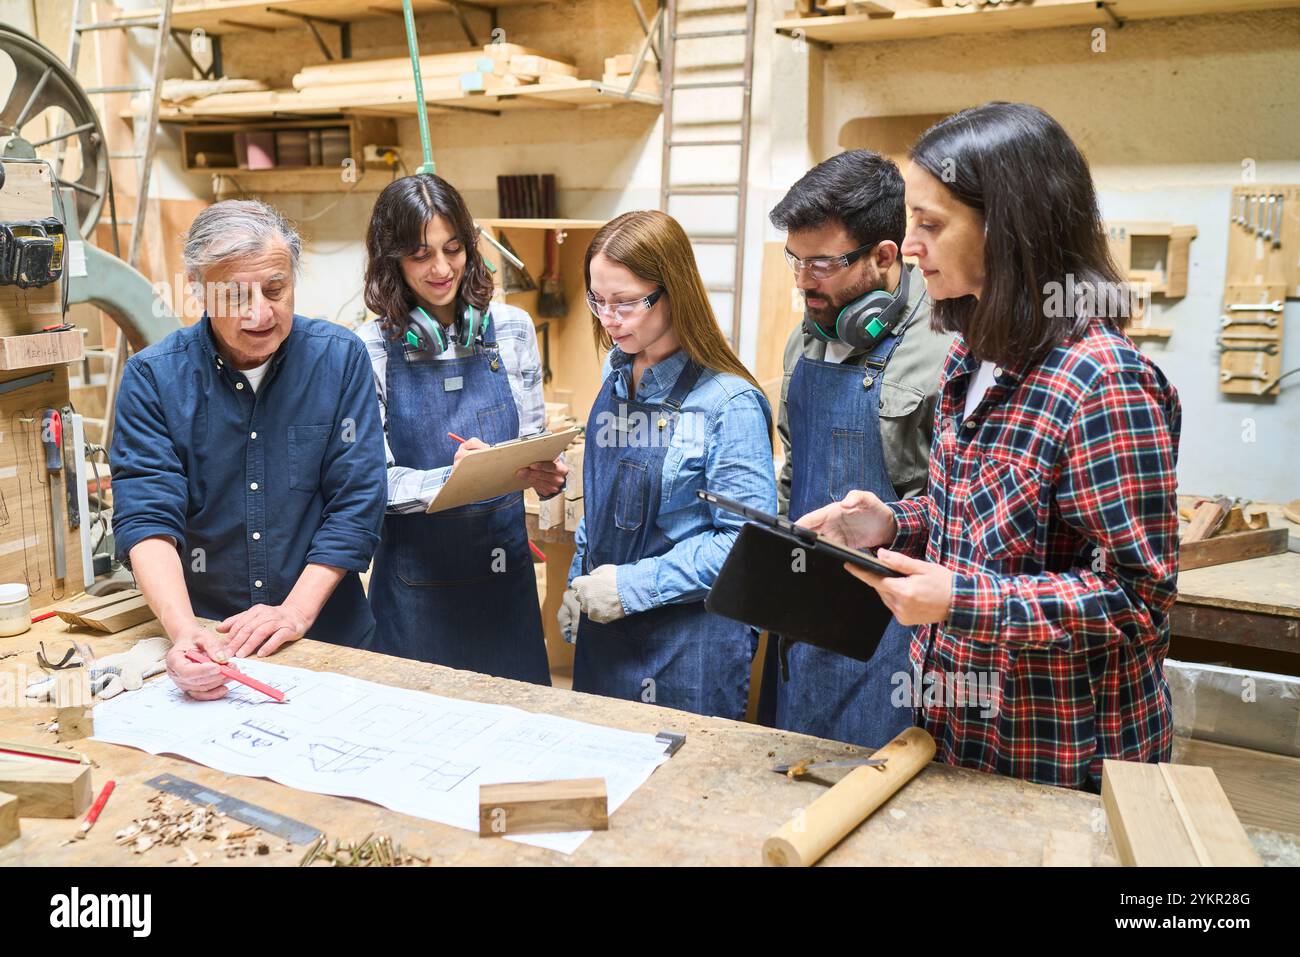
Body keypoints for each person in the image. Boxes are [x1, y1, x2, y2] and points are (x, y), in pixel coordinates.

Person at [801, 103, 1181, 791]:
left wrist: (961, 599)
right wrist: (895, 522)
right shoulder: (972, 358)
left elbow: (1137, 601)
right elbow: (977, 526)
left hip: (1060, 765)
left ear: (1009, 228)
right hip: (956, 738)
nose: (910, 247)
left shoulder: (1103, 384)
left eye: (931, 223)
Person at [111, 199, 386, 700]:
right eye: (237, 295)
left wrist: (296, 612)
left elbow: (356, 501)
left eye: (276, 290)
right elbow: (147, 518)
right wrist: (184, 630)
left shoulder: (339, 360)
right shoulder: (154, 379)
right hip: (215, 641)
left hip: (331, 635)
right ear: (198, 292)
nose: (262, 313)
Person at [762, 150, 952, 747]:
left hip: (900, 623)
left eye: (821, 264)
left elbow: (956, 513)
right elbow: (794, 468)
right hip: (811, 611)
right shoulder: (805, 343)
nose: (802, 282)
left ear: (884, 255)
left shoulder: (949, 343)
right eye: (795, 260)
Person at [558, 210, 777, 719]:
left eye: (627, 303)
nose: (609, 318)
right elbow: (604, 504)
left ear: (673, 290)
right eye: (598, 301)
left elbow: (746, 546)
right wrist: (579, 581)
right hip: (606, 630)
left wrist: (629, 588)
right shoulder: (614, 384)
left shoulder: (728, 404)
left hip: (689, 645)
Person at [358, 174, 563, 682]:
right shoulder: (369, 349)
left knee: (519, 734)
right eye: (420, 255)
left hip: (504, 580)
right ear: (391, 262)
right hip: (415, 587)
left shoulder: (512, 329)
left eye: (453, 249)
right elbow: (368, 483)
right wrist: (456, 479)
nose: (442, 268)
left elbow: (531, 443)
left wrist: (542, 472)